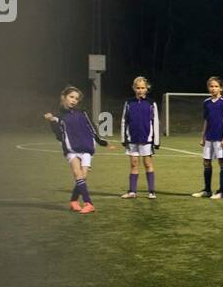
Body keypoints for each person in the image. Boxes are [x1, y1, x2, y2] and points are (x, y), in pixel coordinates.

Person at [44, 85, 112, 213]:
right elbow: (58, 134)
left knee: (82, 177)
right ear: (64, 97)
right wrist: (52, 121)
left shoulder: (82, 113)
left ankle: (74, 201)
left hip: (86, 147)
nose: (74, 100)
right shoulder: (59, 116)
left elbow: (92, 129)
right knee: (77, 173)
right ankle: (89, 203)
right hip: (71, 149)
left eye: (76, 98)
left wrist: (102, 142)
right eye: (71, 97)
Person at [120, 76, 159, 199]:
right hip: (132, 139)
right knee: (134, 164)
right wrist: (123, 138)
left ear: (147, 89)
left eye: (143, 88)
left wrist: (156, 140)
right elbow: (124, 120)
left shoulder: (151, 103)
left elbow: (156, 122)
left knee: (148, 163)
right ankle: (132, 191)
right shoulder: (129, 103)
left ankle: (151, 191)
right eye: (138, 88)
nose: (140, 90)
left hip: (146, 139)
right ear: (133, 88)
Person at [199, 77, 223, 198]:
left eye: (216, 86)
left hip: (220, 137)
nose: (213, 89)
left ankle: (221, 191)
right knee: (206, 162)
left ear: (221, 88)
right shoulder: (206, 102)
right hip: (209, 137)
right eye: (211, 86)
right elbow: (206, 120)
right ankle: (207, 190)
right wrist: (203, 136)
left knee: (221, 162)